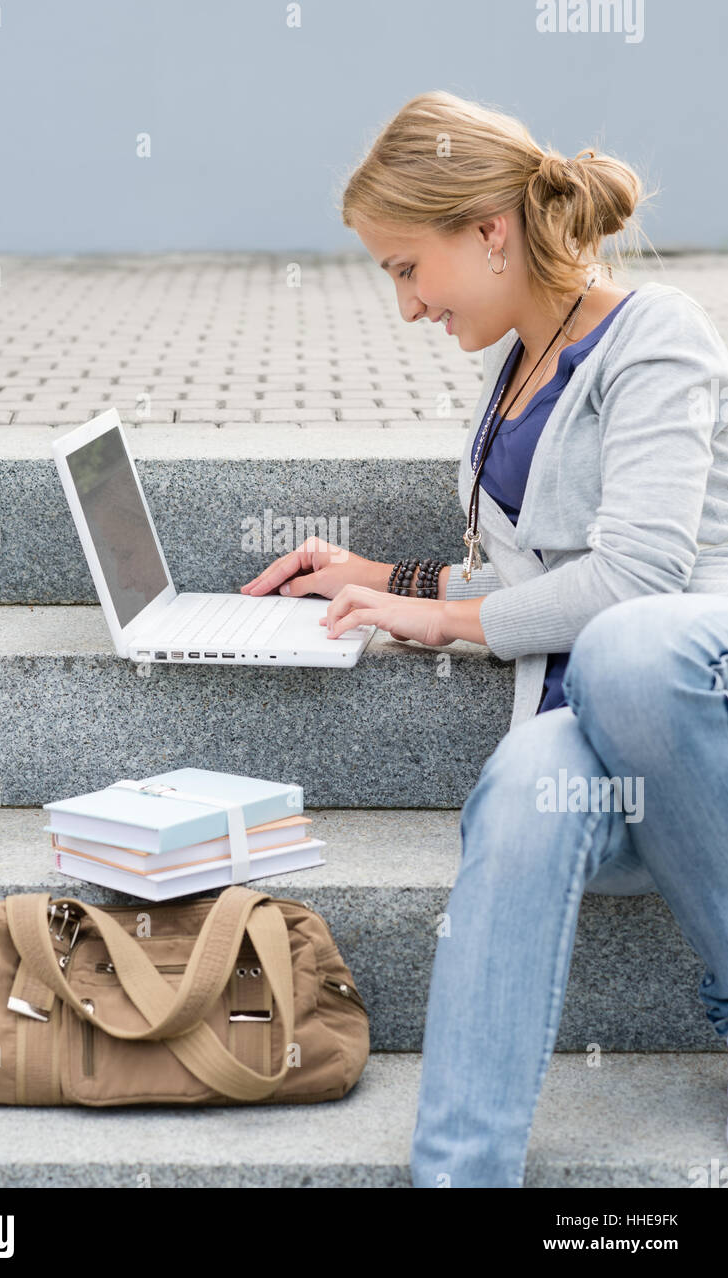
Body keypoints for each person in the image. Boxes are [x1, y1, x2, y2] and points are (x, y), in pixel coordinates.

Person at [241, 89, 728, 1185]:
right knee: (518, 789)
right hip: (590, 734)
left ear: (489, 231)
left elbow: (637, 579)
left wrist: (442, 615)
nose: (406, 305)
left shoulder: (655, 335)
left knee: (628, 649)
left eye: (405, 268)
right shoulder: (511, 367)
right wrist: (384, 577)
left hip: (696, 698)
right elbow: (531, 581)